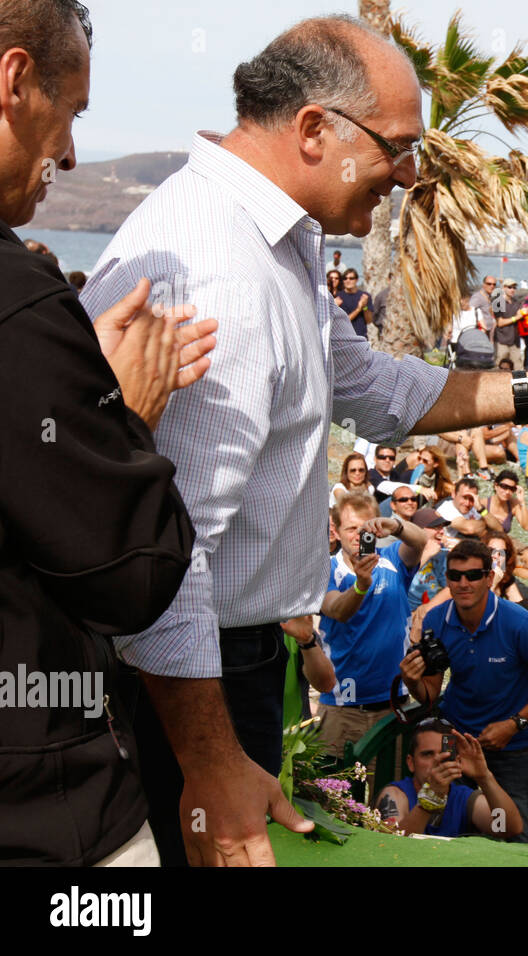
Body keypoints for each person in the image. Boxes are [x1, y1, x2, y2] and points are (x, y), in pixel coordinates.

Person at [79, 14, 528, 867]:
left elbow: (369, 385)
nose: (412, 172)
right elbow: (166, 558)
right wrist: (210, 764)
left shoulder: (277, 236)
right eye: (397, 145)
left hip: (222, 665)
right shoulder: (220, 273)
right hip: (186, 684)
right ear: (315, 129)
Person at [0, 0, 221, 866]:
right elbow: (130, 574)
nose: (70, 154)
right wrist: (123, 419)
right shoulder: (20, 306)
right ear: (16, 82)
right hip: (45, 818)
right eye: (72, 114)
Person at [402, 539, 528, 843]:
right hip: (455, 744)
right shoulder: (437, 620)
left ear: (489, 578)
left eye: (473, 575)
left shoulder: (519, 623)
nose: (463, 583)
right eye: (455, 576)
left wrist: (514, 723)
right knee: (446, 833)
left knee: (522, 840)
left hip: (508, 746)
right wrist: (413, 680)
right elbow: (429, 694)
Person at [316, 493, 425, 757]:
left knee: (389, 794)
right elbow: (336, 609)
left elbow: (420, 541)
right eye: (351, 528)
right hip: (342, 707)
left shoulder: (392, 559)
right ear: (336, 530)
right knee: (332, 794)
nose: (358, 535)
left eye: (365, 528)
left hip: (392, 706)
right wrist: (360, 586)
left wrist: (395, 526)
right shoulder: (325, 570)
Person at [377, 719, 523, 839]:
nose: (437, 761)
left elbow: (507, 828)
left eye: (444, 755)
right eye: (427, 754)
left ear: (456, 761)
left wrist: (484, 777)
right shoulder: (395, 794)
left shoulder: (464, 797)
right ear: (411, 762)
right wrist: (430, 798)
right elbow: (391, 845)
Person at [336, 268, 370, 338]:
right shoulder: (338, 297)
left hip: (361, 337)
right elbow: (344, 321)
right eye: (345, 278)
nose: (348, 281)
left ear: (357, 280)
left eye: (351, 278)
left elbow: (369, 320)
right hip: (344, 338)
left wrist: (365, 307)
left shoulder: (364, 296)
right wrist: (358, 309)